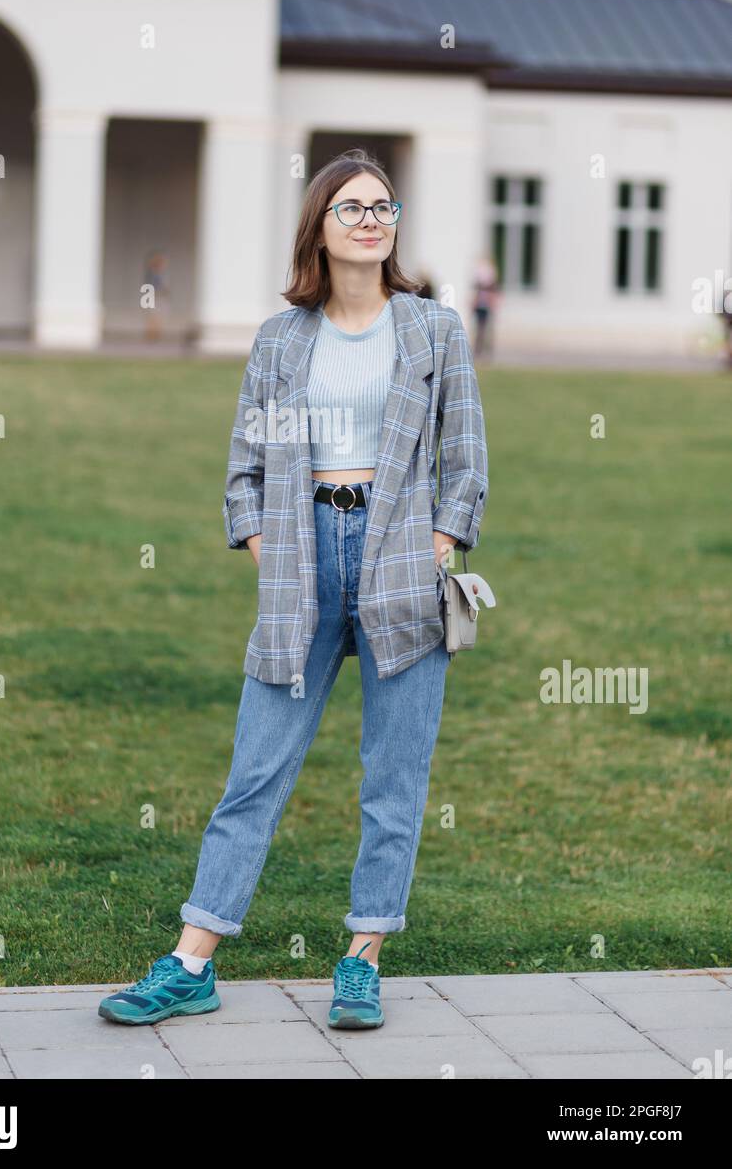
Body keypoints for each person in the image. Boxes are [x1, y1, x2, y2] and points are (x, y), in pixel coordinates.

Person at [99, 148, 489, 1032]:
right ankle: (191, 962)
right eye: (351, 208)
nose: (371, 220)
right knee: (256, 770)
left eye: (384, 207)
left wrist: (437, 546)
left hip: (400, 563)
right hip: (302, 559)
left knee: (395, 777)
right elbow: (244, 469)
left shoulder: (433, 330)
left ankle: (361, 960)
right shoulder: (282, 341)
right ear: (319, 224)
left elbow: (465, 461)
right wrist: (268, 550)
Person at [471, 257, 499, 359]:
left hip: (486, 305)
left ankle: (486, 350)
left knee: (486, 328)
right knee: (480, 328)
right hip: (480, 305)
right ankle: (479, 350)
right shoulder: (480, 283)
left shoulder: (489, 284)